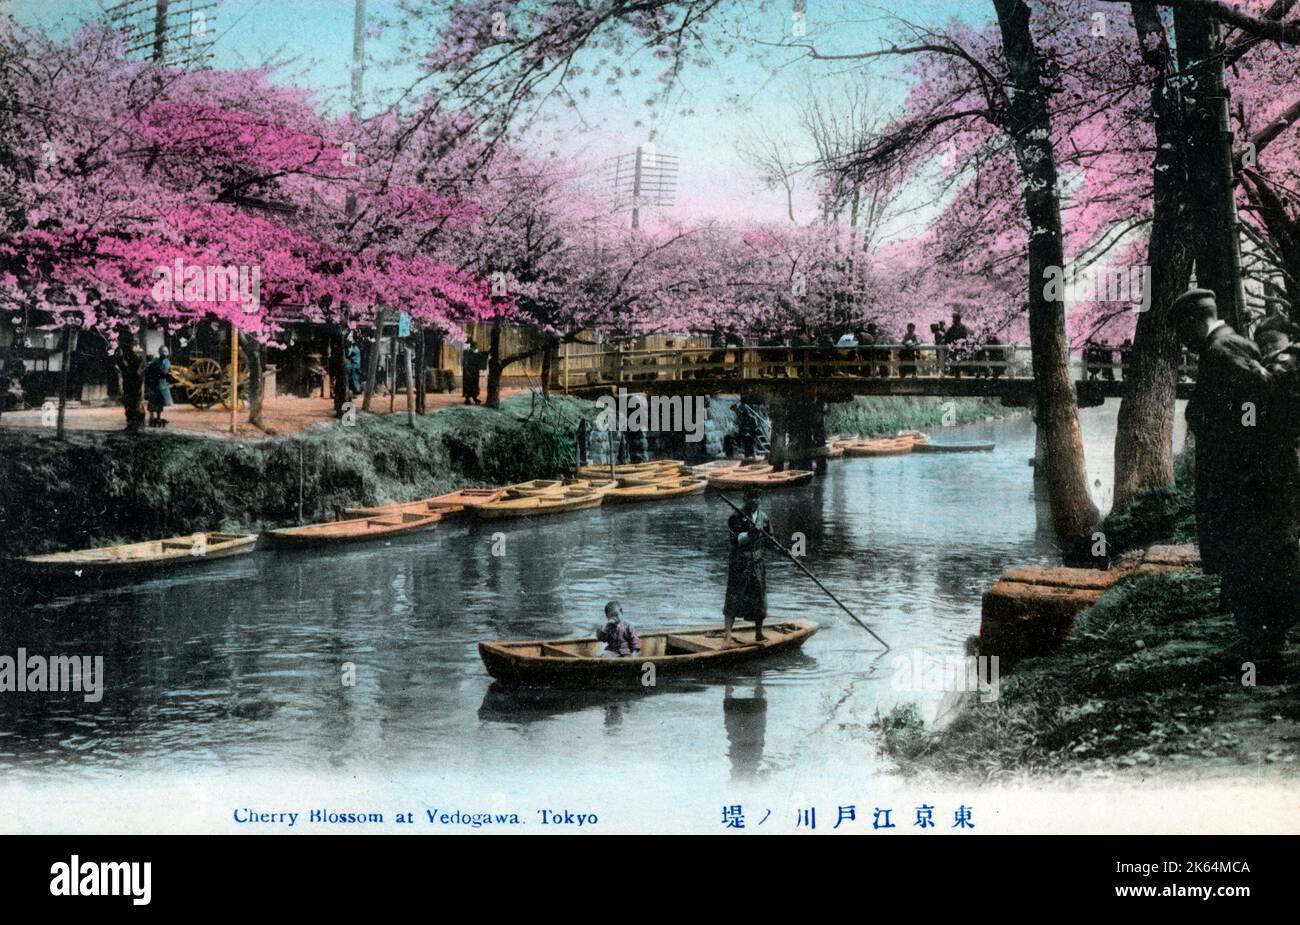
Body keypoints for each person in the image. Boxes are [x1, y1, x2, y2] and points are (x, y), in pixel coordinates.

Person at [1173, 288, 1300, 672]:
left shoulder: (1223, 350)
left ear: (1197, 320)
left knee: (1252, 555)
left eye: (1182, 330)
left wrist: (1241, 459)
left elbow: (1256, 409)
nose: (1182, 341)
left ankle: (1260, 642)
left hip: (1249, 478)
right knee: (1258, 554)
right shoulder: (1227, 348)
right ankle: (1260, 638)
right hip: (1251, 475)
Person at [724, 486, 770, 645]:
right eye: (751, 497)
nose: (754, 501)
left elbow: (769, 539)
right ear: (744, 498)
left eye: (757, 498)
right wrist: (751, 533)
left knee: (759, 598)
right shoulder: (735, 517)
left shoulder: (763, 517)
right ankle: (728, 636)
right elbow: (735, 540)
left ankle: (759, 633)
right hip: (740, 562)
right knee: (734, 597)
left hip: (757, 562)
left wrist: (785, 549)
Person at [144, 346, 172, 428]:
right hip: (155, 384)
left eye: (166, 352)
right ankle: (151, 417)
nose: (164, 354)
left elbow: (168, 372)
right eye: (163, 352)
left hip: (162, 385)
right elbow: (150, 373)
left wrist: (168, 378)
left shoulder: (167, 362)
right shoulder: (155, 362)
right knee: (153, 402)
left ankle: (158, 417)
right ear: (160, 353)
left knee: (160, 403)